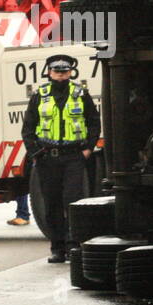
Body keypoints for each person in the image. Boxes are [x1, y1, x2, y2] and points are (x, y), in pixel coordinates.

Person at [20, 54, 99, 263]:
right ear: (49, 72)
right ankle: (57, 248)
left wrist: (88, 149)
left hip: (73, 156)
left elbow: (94, 122)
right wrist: (35, 153)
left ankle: (73, 245)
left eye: (65, 72)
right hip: (47, 158)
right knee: (52, 203)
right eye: (57, 71)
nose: (61, 76)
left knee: (72, 200)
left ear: (71, 72)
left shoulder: (80, 94)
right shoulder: (40, 95)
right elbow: (27, 128)